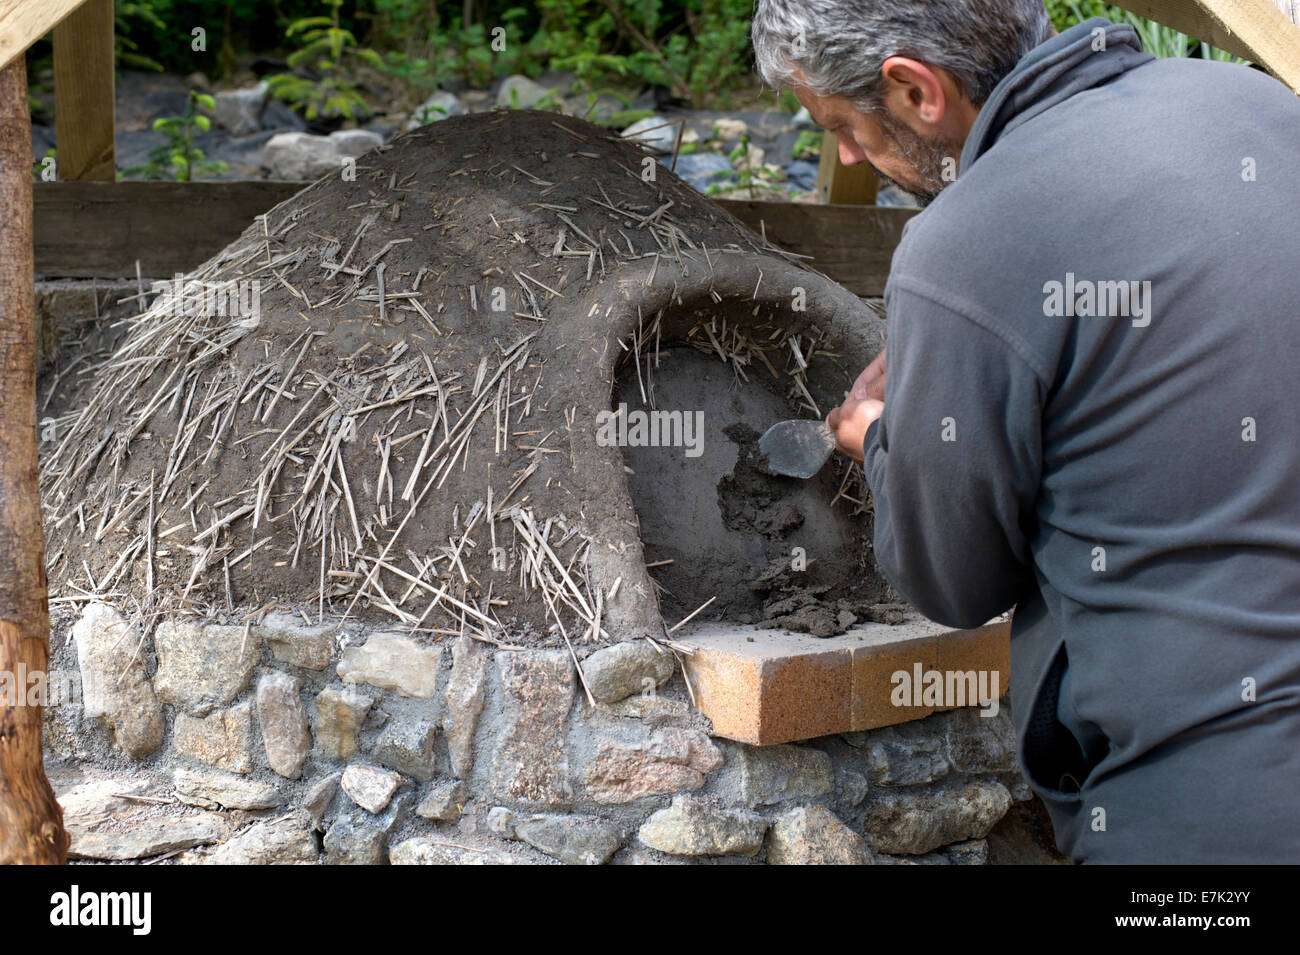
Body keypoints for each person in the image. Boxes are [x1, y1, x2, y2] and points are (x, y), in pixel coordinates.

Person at [751, 0, 1300, 863]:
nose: (848, 156)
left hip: (1207, 812)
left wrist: (883, 440)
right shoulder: (1264, 109)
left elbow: (956, 582)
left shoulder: (967, 237)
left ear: (915, 89)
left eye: (843, 127)